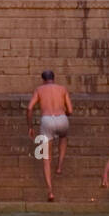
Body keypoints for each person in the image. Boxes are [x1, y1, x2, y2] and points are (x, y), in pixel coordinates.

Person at [26, 70, 73, 201]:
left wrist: (30, 126)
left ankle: (50, 191)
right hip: (62, 118)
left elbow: (29, 108)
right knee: (63, 137)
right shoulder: (62, 89)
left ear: (43, 80)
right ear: (54, 78)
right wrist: (63, 116)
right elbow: (70, 110)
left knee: (46, 158)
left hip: (47, 120)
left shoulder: (39, 89)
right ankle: (59, 166)